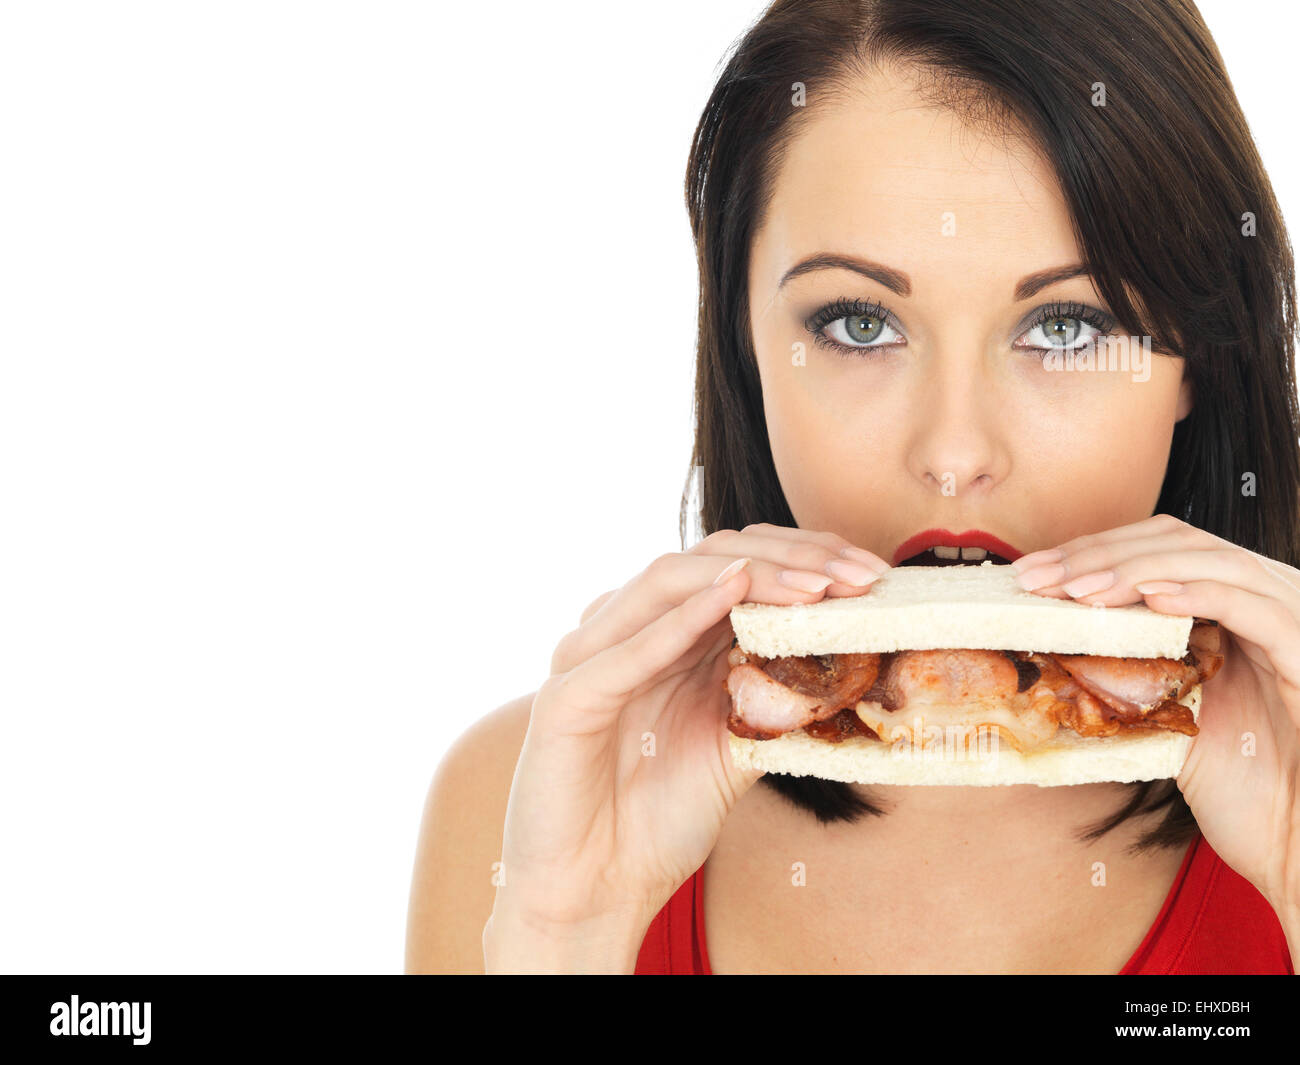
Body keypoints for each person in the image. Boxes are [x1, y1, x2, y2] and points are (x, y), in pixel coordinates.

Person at [406, 0, 1300, 973]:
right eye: (858, 325)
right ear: (743, 346)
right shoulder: (533, 800)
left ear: (1198, 362)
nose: (954, 454)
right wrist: (563, 939)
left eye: (1065, 328)